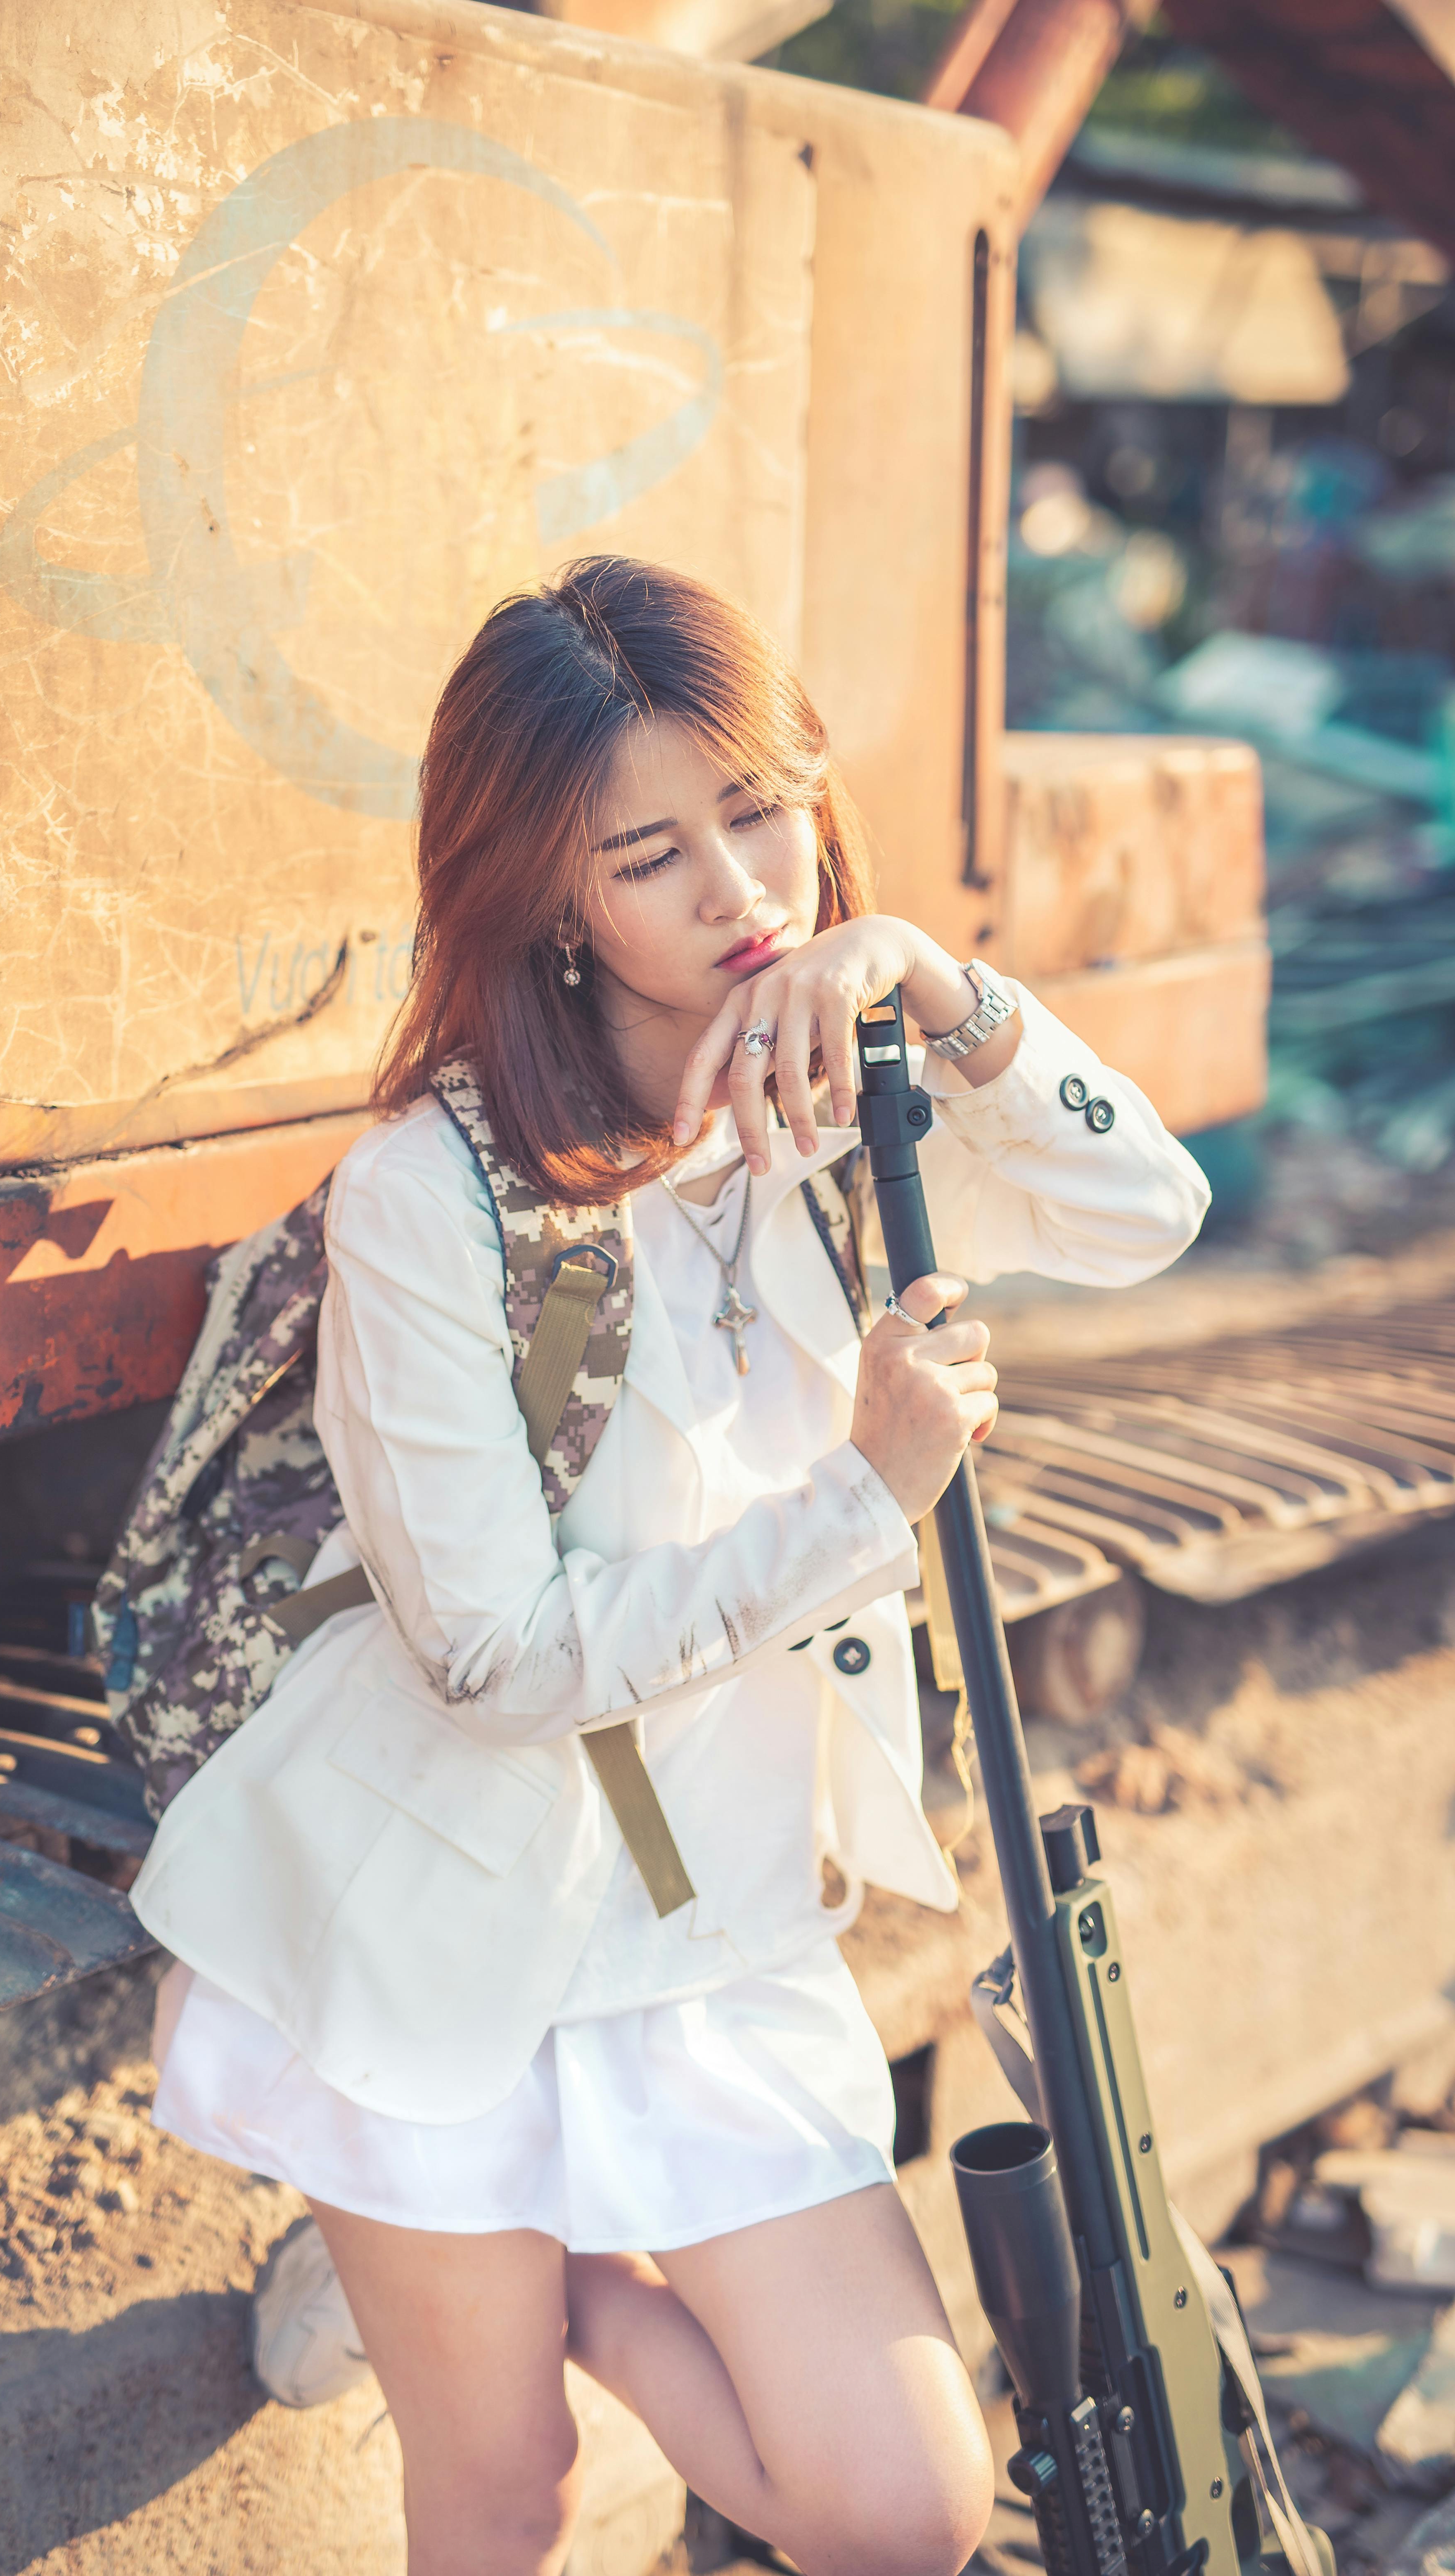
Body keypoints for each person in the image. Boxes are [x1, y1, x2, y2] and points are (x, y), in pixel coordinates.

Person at [128, 556, 1208, 2576]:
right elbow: (492, 1662)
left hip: (699, 1918)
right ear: (549, 894)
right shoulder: (423, 1200)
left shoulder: (838, 1101)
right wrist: (857, 1501)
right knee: (502, 2497)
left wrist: (928, 977)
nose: (743, 892)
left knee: (894, 2511)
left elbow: (1145, 1208)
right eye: (651, 853)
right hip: (443, 1913)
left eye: (764, 807)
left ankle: (542, 2283)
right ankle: (426, 2258)